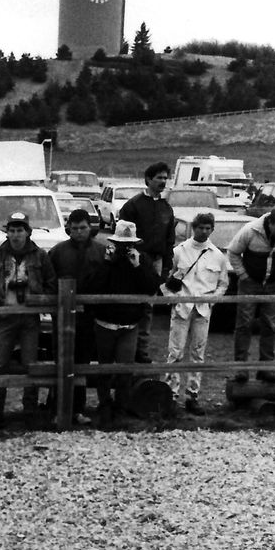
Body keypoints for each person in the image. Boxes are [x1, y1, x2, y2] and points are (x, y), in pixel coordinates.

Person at [0, 212, 56, 429]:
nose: (15, 235)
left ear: (28, 232)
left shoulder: (40, 256)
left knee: (31, 365)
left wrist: (38, 303)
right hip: (5, 317)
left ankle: (29, 414)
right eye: (11, 231)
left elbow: (52, 284)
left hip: (30, 318)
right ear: (7, 232)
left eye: (20, 230)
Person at [79, 221, 162, 425]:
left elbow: (152, 287)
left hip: (129, 324)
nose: (125, 249)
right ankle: (105, 404)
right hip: (105, 322)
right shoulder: (104, 259)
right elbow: (91, 287)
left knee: (125, 368)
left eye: (128, 244)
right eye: (122, 244)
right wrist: (107, 263)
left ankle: (121, 407)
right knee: (104, 368)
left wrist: (138, 266)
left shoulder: (143, 260)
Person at [226, 206, 275, 383]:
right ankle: (241, 368)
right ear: (270, 223)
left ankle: (266, 368)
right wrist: (243, 275)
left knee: (270, 325)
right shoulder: (250, 230)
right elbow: (233, 252)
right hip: (249, 283)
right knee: (244, 324)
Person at [162, 212, 228, 415]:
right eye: (201, 227)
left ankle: (193, 395)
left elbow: (223, 283)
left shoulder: (217, 255)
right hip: (182, 307)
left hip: (203, 309)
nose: (204, 231)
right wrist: (172, 299)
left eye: (208, 228)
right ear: (194, 228)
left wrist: (212, 300)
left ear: (212, 230)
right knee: (175, 353)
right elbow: (165, 279)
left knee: (198, 354)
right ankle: (171, 395)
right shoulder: (179, 252)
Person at [48, 208, 107, 424]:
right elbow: (50, 281)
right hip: (63, 315)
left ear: (90, 228)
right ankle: (56, 408)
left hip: (89, 316)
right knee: (60, 361)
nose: (79, 232)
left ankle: (78, 409)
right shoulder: (57, 252)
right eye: (75, 229)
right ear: (68, 230)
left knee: (82, 362)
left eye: (83, 228)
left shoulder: (102, 251)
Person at [117, 161, 175, 362]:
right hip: (137, 260)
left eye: (165, 178)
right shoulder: (133, 205)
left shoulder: (167, 208)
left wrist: (166, 267)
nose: (162, 181)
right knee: (133, 303)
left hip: (156, 262)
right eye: (159, 177)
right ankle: (128, 349)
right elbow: (122, 237)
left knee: (148, 307)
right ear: (148, 179)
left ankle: (142, 350)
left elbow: (170, 241)